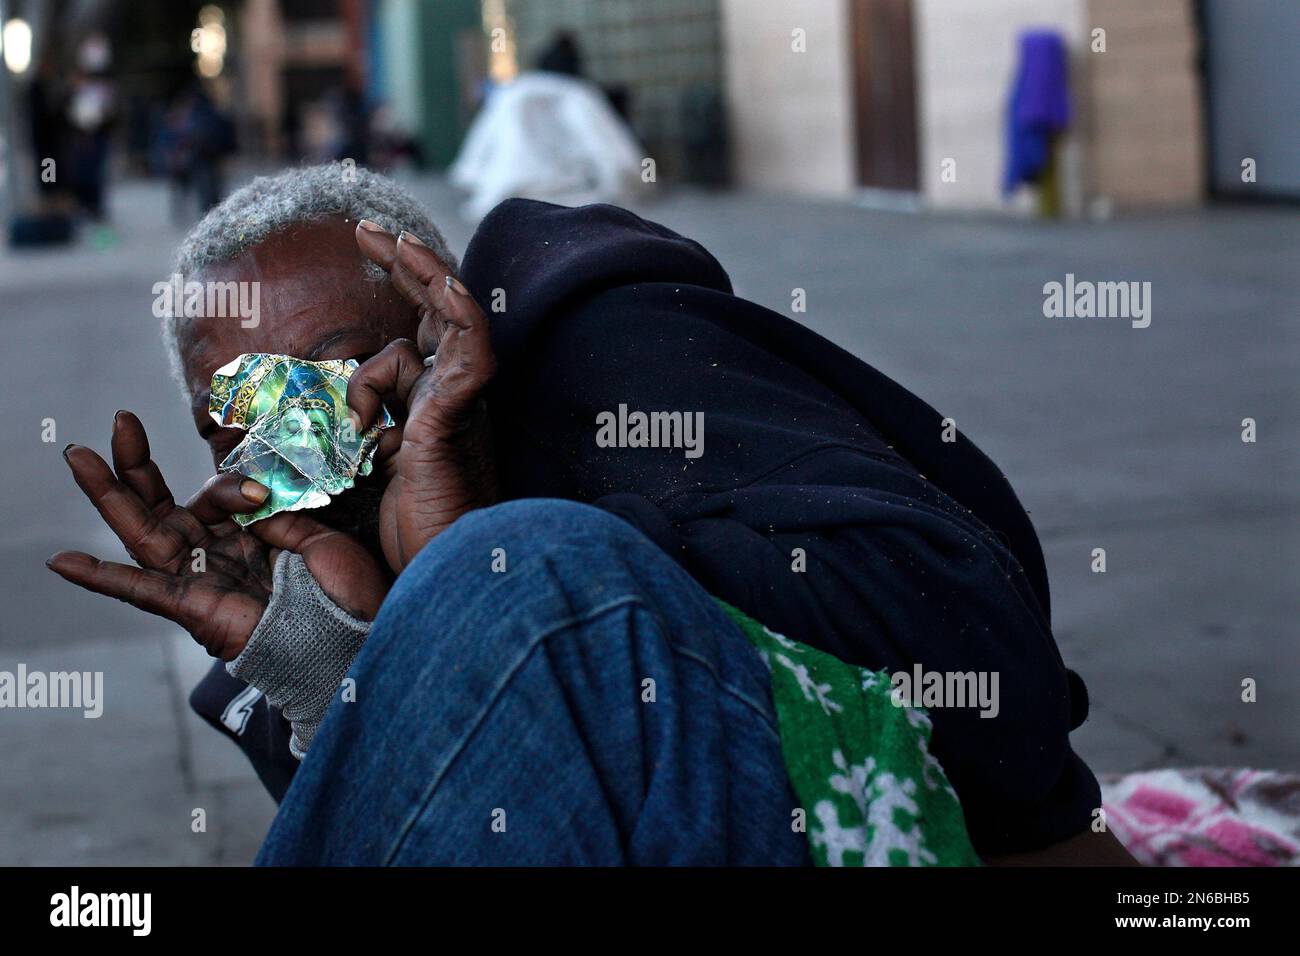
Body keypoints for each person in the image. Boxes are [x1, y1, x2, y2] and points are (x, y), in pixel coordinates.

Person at [47, 164, 1134, 865]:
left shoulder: (611, 361)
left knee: (521, 562)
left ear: (440, 323)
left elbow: (990, 650)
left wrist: (477, 561)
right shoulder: (280, 619)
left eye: (334, 371)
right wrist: (342, 668)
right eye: (242, 413)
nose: (303, 444)